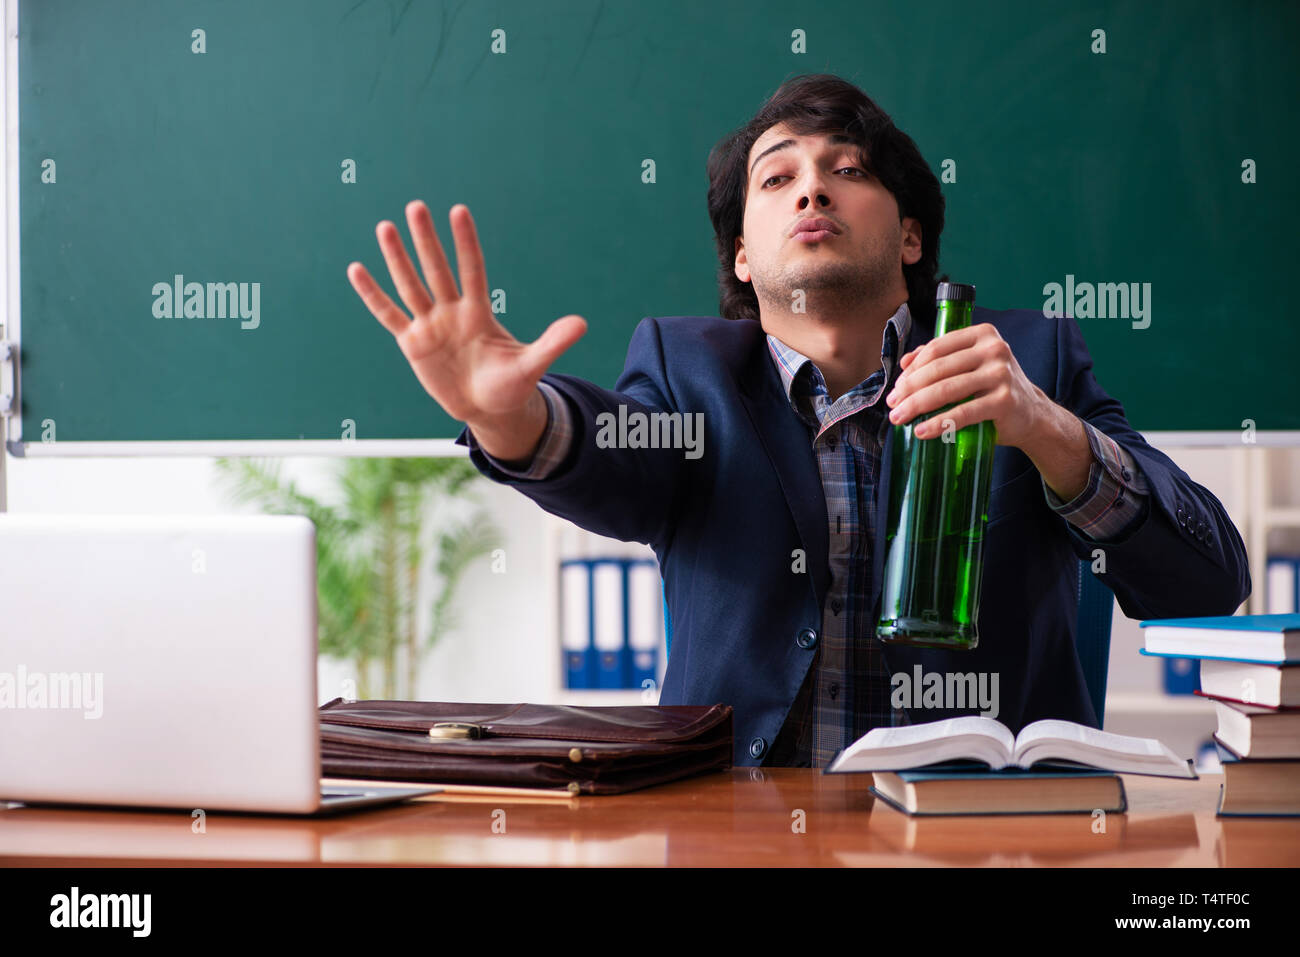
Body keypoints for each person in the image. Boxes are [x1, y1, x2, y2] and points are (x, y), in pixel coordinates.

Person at [346, 74, 1250, 768]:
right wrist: (515, 421)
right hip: (737, 830)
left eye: (846, 171)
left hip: (985, 833)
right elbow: (619, 460)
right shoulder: (689, 367)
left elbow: (1208, 581)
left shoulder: (1027, 361)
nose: (811, 190)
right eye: (776, 178)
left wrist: (1050, 433)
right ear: (743, 256)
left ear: (909, 237)